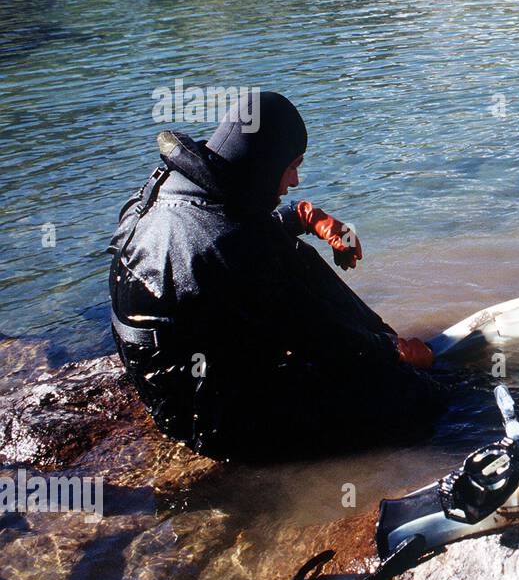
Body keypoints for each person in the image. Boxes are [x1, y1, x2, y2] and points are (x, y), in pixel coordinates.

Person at [108, 91, 449, 461]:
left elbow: (232, 240)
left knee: (292, 258)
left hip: (179, 369)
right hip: (207, 417)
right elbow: (319, 335)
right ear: (265, 163)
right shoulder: (230, 243)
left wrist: (305, 216)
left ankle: (393, 349)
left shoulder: (169, 188)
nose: (296, 180)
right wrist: (391, 354)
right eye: (292, 166)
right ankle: (412, 369)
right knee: (416, 399)